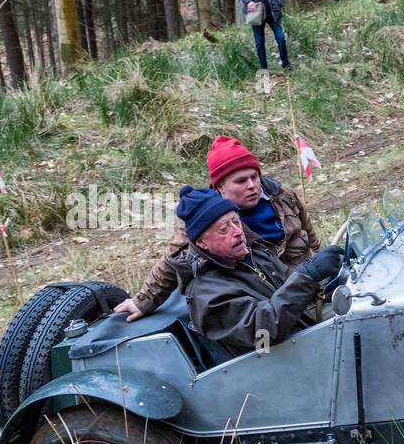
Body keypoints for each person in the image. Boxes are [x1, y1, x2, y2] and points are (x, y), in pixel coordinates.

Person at [114, 135, 319, 321]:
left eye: (254, 177)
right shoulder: (207, 218)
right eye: (240, 181)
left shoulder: (283, 195)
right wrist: (144, 301)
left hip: (309, 286)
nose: (252, 185)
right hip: (268, 304)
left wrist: (320, 265)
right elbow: (171, 261)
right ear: (219, 187)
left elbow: (309, 234)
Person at [167, 186, 344, 353]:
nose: (237, 232)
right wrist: (306, 278)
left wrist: (327, 279)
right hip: (279, 361)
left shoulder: (253, 251)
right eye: (224, 229)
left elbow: (288, 283)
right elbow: (263, 335)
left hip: (302, 331)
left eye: (236, 222)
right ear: (201, 242)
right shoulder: (206, 294)